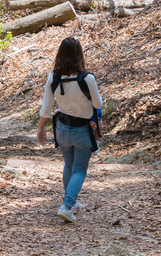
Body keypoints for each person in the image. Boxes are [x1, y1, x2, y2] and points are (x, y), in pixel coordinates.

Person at [36, 36, 103, 224]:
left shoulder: (53, 77)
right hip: (82, 130)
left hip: (62, 129)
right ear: (79, 55)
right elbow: (97, 104)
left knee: (69, 165)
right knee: (80, 169)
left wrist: (41, 127)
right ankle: (67, 205)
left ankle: (71, 202)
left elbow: (46, 106)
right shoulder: (87, 78)